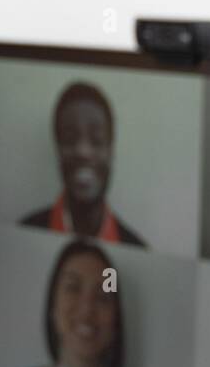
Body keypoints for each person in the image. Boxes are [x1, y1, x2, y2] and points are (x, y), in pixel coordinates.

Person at [15, 240, 158, 367]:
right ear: (52, 307)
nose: (87, 310)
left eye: (102, 297)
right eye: (73, 288)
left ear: (116, 321)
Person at [20, 82, 146, 246]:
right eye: (70, 138)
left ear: (111, 151)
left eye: (97, 139)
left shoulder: (138, 250)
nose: (83, 151)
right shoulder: (24, 236)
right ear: (58, 150)